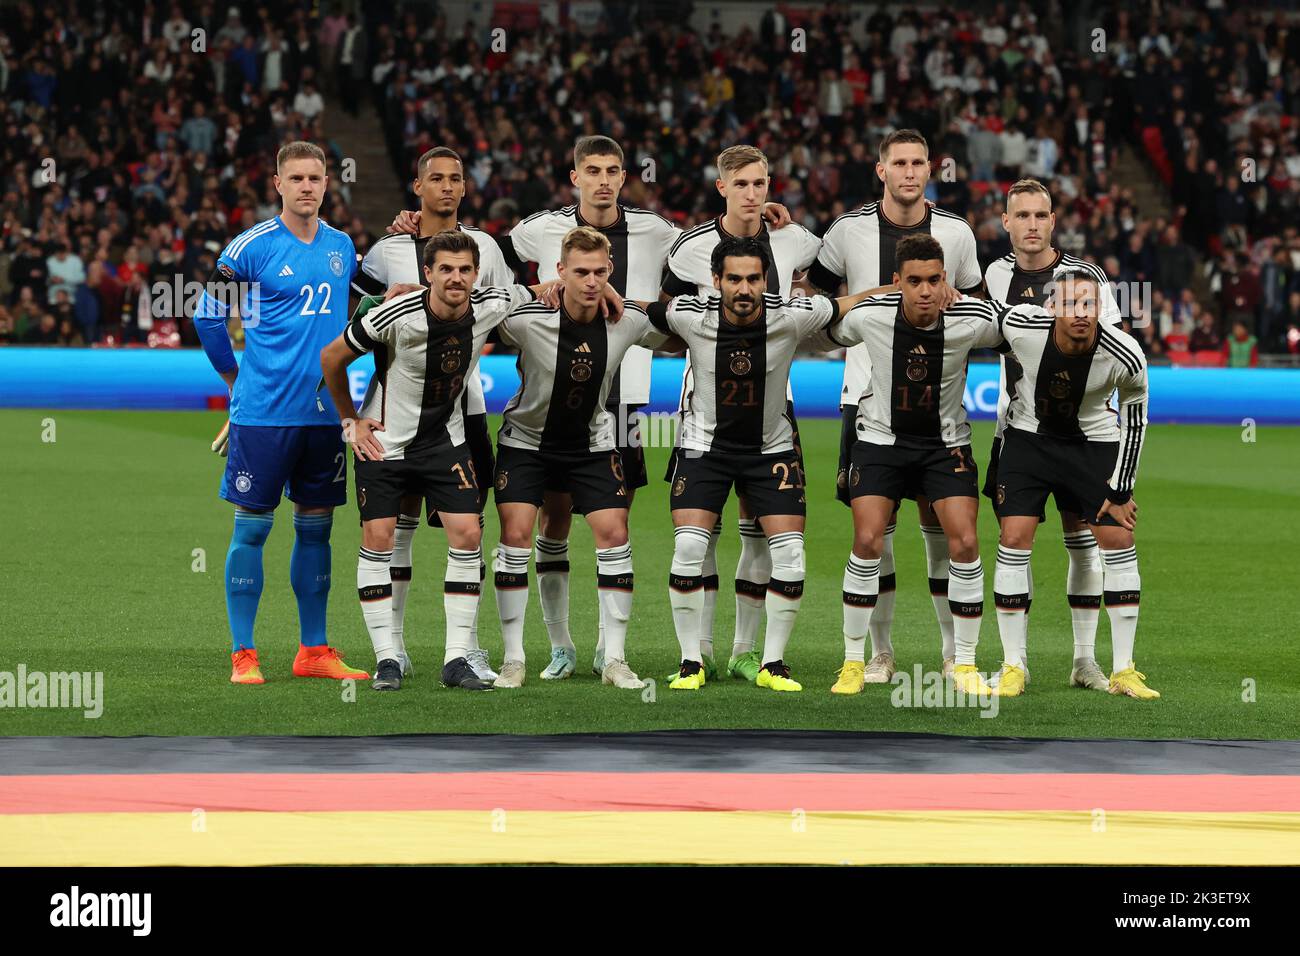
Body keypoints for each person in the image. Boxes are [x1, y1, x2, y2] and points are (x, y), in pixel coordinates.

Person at [643, 235, 875, 692]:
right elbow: (643, 310)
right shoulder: (690, 315)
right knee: (690, 547)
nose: (744, 288)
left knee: (789, 554)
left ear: (765, 280)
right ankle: (692, 661)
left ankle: (772, 662)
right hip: (703, 448)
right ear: (716, 281)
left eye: (752, 278)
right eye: (734, 279)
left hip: (770, 449)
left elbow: (845, 303)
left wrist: (895, 290)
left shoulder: (791, 316)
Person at [320, 230, 548, 691]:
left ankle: (456, 658)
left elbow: (540, 290)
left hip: (446, 443)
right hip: (384, 442)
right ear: (428, 273)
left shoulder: (489, 304)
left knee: (467, 534)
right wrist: (351, 421)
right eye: (446, 269)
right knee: (379, 538)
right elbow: (331, 357)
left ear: (475, 273)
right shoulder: (397, 314)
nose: (456, 278)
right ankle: (388, 657)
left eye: (465, 269)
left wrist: (579, 285)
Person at [807, 129, 984, 684]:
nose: (909, 172)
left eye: (918, 163)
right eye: (898, 163)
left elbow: (977, 307)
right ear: (880, 169)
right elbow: (817, 305)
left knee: (943, 532)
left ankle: (956, 654)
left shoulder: (955, 233)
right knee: (874, 535)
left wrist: (958, 300)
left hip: (937, 410)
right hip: (864, 400)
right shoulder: (846, 230)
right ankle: (876, 653)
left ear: (930, 169)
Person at [194, 140, 366, 686]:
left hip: (323, 415)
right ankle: (243, 653)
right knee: (252, 531)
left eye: (316, 178)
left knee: (317, 533)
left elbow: (372, 303)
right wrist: (234, 382)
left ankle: (312, 649)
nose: (307, 187)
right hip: (264, 415)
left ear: (326, 183)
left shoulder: (343, 248)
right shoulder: (251, 246)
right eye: (296, 179)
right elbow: (206, 316)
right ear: (278, 184)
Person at [350, 146, 514, 683]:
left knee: (466, 529)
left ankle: (464, 649)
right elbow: (357, 316)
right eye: (435, 179)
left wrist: (468, 347)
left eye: (455, 179)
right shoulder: (389, 249)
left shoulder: (485, 246)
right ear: (417, 188)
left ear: (465, 187)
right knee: (396, 528)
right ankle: (391, 647)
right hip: (397, 409)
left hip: (463, 412)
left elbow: (505, 312)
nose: (446, 187)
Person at [490, 227, 679, 690]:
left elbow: (676, 329)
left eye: (599, 272)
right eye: (580, 272)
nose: (591, 281)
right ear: (560, 271)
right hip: (527, 443)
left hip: (593, 444)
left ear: (610, 272)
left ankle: (613, 658)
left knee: (615, 533)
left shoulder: (626, 320)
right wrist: (534, 290)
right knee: (516, 537)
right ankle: (521, 656)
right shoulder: (526, 318)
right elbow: (477, 304)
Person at [659, 144, 819, 684]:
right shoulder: (690, 248)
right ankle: (697, 651)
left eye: (763, 183)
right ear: (722, 187)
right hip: (705, 408)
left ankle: (749, 652)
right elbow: (665, 315)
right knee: (696, 539)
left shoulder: (793, 239)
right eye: (744, 184)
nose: (755, 193)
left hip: (774, 409)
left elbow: (821, 294)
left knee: (760, 540)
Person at [988, 268, 1157, 699]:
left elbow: (1135, 426)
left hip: (1093, 442)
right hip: (1030, 439)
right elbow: (982, 311)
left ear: (1101, 308)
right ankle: (1013, 666)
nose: (1080, 313)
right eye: (1069, 304)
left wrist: (1120, 491)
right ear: (1052, 308)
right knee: (1014, 537)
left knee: (1118, 539)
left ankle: (1122, 670)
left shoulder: (1126, 354)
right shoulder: (1024, 327)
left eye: (1089, 304)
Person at [982, 178, 1123, 690]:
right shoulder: (993, 276)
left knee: (1083, 543)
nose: (1033, 225)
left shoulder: (1084, 277)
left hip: (1083, 435)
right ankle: (1014, 663)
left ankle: (1084, 661)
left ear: (1053, 221)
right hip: (1020, 428)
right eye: (1022, 216)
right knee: (1013, 538)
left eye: (1041, 215)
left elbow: (1112, 345)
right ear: (1006, 222)